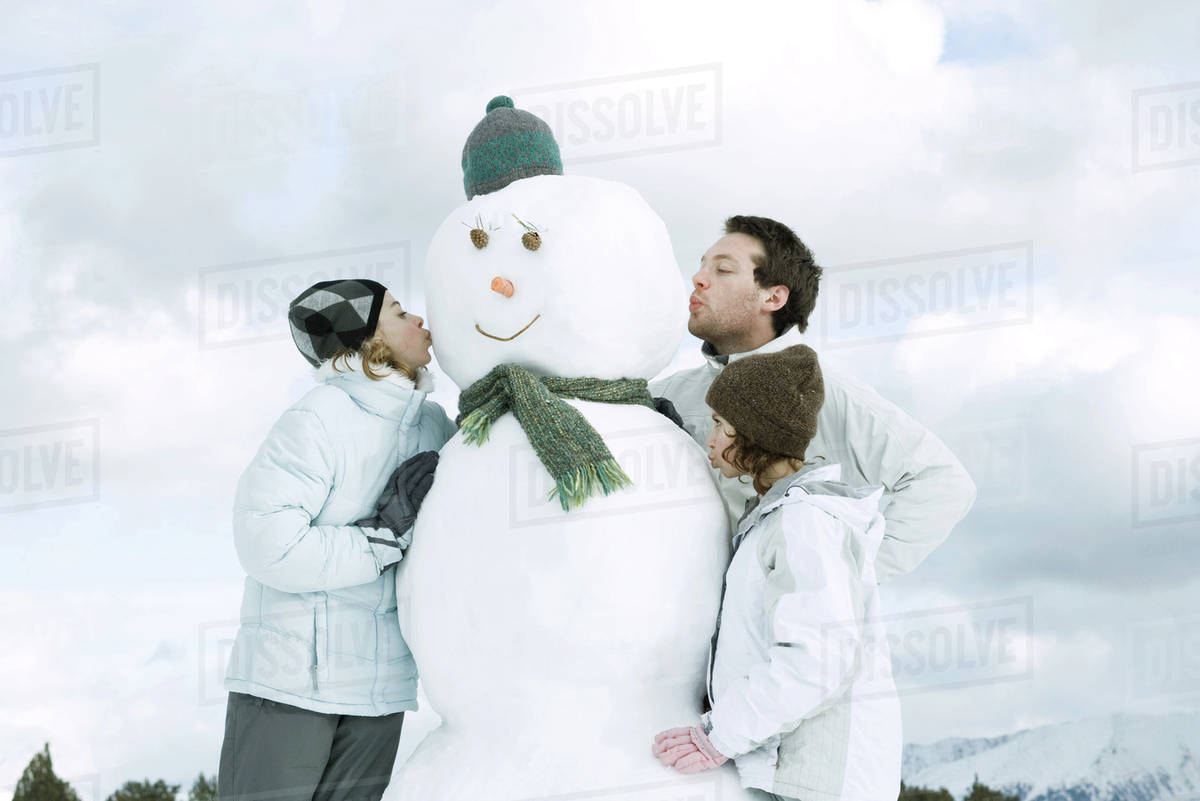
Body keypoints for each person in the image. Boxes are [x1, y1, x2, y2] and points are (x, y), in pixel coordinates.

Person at [217, 279, 454, 801]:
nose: (419, 321)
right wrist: (380, 539)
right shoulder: (318, 418)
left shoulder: (434, 425)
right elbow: (267, 545)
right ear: (370, 343)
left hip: (380, 691)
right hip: (290, 686)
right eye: (399, 312)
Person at [650, 215, 976, 583]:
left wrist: (844, 580)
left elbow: (942, 483)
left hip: (784, 630)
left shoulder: (828, 394)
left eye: (723, 269)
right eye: (701, 265)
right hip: (686, 630)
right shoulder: (664, 395)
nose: (698, 278)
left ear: (773, 296)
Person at [653, 344, 901, 801]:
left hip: (826, 780)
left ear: (754, 435)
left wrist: (718, 738)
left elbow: (818, 656)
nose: (710, 440)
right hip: (799, 772)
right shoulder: (775, 517)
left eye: (720, 427)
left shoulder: (806, 523)